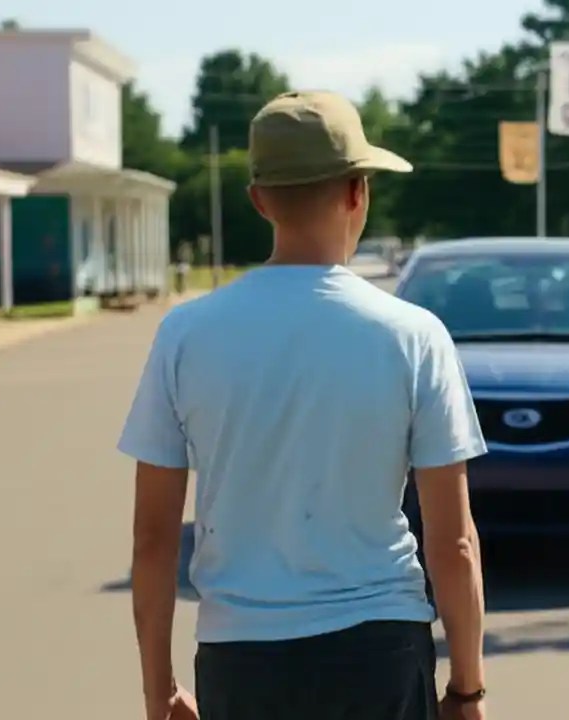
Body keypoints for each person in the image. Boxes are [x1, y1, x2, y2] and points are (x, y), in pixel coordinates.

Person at [118, 90, 488, 720]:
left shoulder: (186, 334)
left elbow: (153, 540)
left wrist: (161, 688)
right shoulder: (414, 336)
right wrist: (467, 689)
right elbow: (452, 543)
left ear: (260, 201)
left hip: (241, 657)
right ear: (357, 192)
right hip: (381, 652)